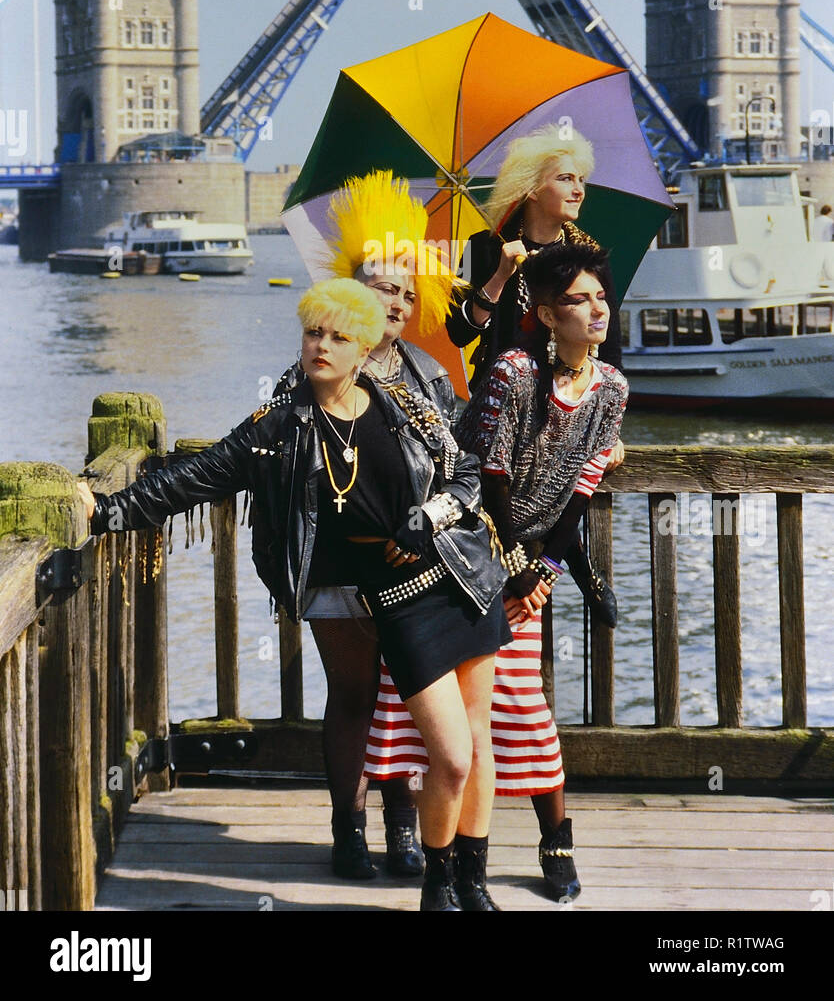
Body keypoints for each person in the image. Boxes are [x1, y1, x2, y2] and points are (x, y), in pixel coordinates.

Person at [78, 277, 510, 912]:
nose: (323, 346)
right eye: (314, 332)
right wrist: (107, 512)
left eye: (340, 337)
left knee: (474, 744)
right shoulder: (277, 426)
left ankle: (467, 886)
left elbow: (465, 471)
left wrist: (430, 517)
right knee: (444, 753)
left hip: (456, 581)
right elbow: (193, 479)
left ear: (365, 350)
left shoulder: (405, 407)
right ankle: (419, 874)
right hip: (385, 597)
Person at [259, 171, 459, 882]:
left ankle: (404, 826)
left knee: (410, 694)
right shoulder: (309, 367)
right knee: (352, 695)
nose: (397, 301)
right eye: (383, 286)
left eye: (409, 291)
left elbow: (457, 465)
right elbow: (267, 460)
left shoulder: (432, 375)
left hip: (411, 566)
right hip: (336, 565)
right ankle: (349, 833)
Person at [458, 240, 628, 899]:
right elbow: (490, 474)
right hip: (469, 548)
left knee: (520, 704)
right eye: (577, 301)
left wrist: (545, 569)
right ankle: (426, 845)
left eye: (600, 297)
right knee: (436, 705)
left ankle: (556, 836)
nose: (596, 310)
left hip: (531, 561)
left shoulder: (610, 389)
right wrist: (515, 563)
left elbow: (581, 490)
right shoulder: (512, 372)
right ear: (548, 314)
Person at [447, 125, 622, 624]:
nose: (579, 189)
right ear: (530, 188)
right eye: (565, 178)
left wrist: (615, 429)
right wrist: (500, 275)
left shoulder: (587, 253)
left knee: (572, 469)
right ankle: (551, 574)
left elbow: (608, 338)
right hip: (505, 399)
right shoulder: (486, 246)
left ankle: (559, 569)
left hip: (571, 396)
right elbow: (460, 333)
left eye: (581, 179)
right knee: (501, 482)